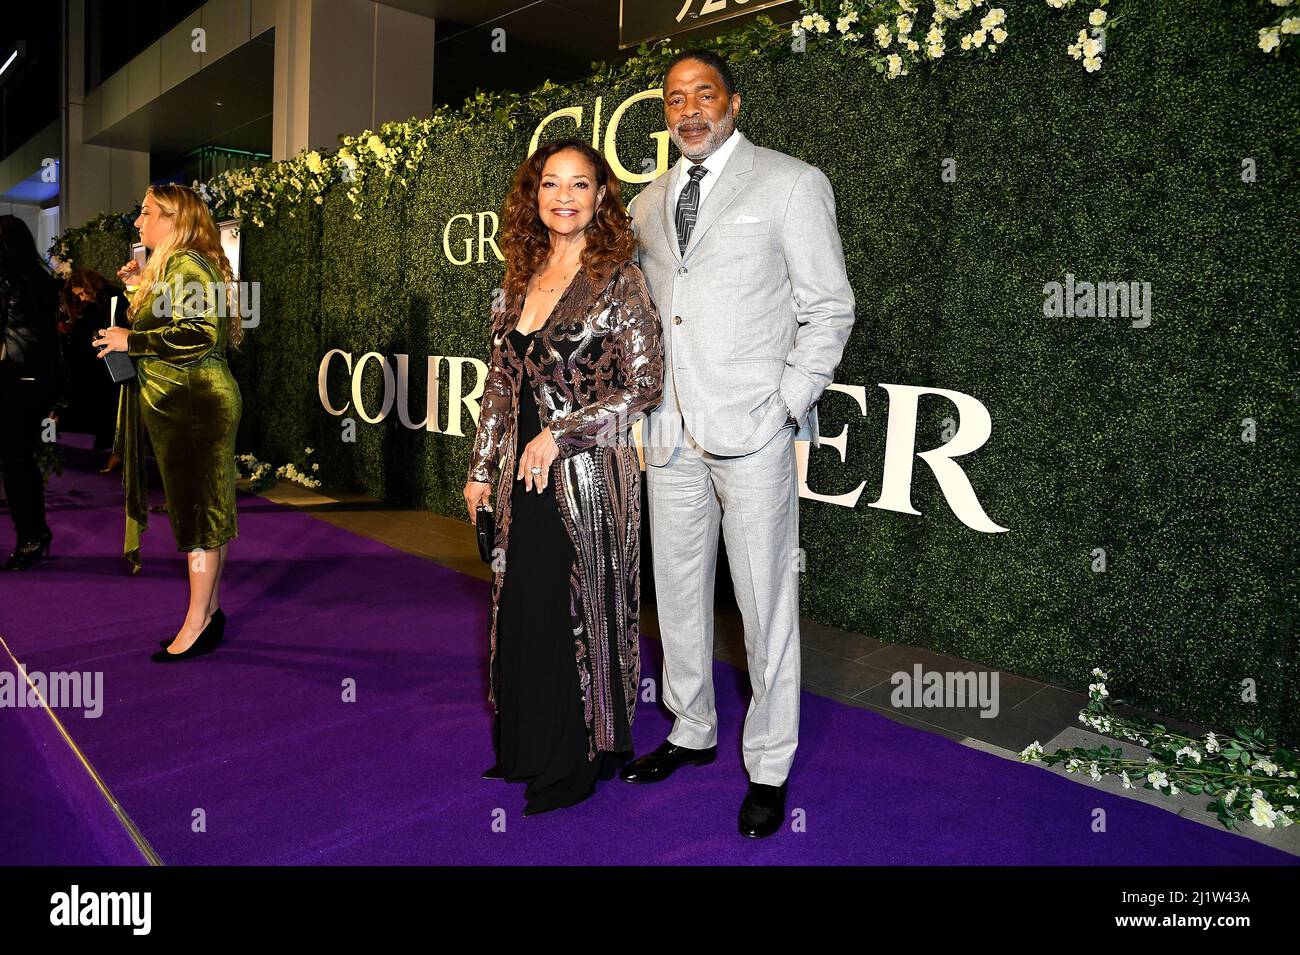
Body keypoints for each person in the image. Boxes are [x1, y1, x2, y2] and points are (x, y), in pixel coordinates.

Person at [622, 49, 856, 838]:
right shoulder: (645, 202)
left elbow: (830, 309)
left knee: (765, 603)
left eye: (705, 95)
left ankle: (769, 762)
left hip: (754, 431)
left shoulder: (792, 183)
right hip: (668, 431)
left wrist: (786, 406)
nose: (690, 110)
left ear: (734, 102)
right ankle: (689, 728)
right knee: (677, 594)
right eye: (675, 98)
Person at [463, 137, 664, 815]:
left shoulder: (620, 278)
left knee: (575, 610)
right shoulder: (518, 275)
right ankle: (523, 744)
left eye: (581, 185)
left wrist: (562, 432)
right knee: (523, 603)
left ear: (602, 195)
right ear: (534, 193)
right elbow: (498, 383)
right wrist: (480, 467)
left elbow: (644, 385)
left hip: (584, 476)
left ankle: (576, 757)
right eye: (552, 183)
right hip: (520, 471)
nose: (565, 197)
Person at [93, 184, 244, 662]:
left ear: (174, 218)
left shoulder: (187, 265)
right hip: (185, 404)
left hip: (194, 405)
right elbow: (172, 321)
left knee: (200, 517)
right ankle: (210, 613)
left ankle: (197, 623)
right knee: (203, 512)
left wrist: (128, 341)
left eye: (146, 213)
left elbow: (197, 334)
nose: (138, 223)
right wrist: (139, 287)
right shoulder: (179, 266)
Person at [0, 214, 61, 571]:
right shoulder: (41, 280)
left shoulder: (6, 284)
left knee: (15, 461)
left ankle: (31, 536)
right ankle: (34, 533)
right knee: (20, 459)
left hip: (10, 381)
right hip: (37, 383)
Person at [59, 269, 128, 472]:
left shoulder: (114, 298)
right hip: (105, 363)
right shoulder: (99, 302)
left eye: (83, 293)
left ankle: (118, 453)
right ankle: (116, 453)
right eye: (79, 295)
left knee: (117, 409)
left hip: (116, 362)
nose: (83, 298)